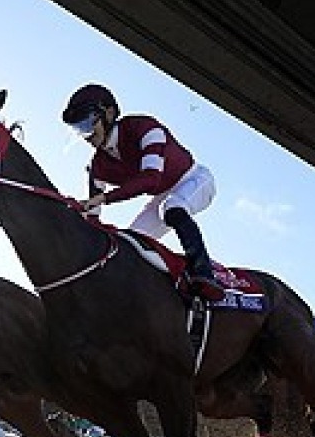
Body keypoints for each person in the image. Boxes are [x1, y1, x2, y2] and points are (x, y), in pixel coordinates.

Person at [61, 83, 224, 302]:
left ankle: (204, 273)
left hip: (194, 179)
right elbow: (94, 219)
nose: (86, 136)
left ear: (109, 113)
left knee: (173, 208)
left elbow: (150, 179)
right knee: (130, 244)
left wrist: (105, 197)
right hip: (162, 196)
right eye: (79, 129)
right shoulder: (98, 166)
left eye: (89, 124)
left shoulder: (145, 128)